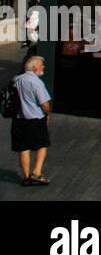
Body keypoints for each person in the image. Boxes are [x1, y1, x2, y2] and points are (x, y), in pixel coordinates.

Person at [11, 56, 51, 186]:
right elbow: (44, 104)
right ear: (34, 67)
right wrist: (47, 114)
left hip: (19, 119)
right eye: (41, 65)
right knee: (42, 145)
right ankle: (36, 172)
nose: (43, 67)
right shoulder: (36, 82)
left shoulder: (16, 80)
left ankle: (27, 176)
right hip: (35, 119)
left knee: (24, 148)